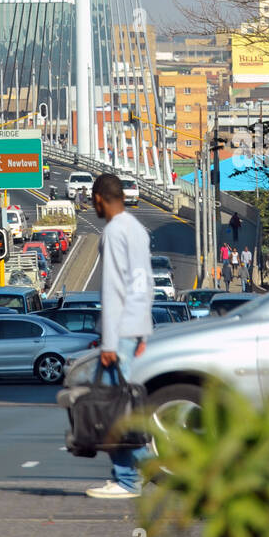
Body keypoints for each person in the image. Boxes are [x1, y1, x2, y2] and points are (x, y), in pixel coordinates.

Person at [88, 172, 153, 499]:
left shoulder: (114, 232)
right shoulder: (138, 230)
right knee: (120, 406)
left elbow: (113, 289)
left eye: (92, 198)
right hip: (135, 327)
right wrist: (143, 329)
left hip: (119, 333)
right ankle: (130, 474)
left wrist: (109, 343)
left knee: (111, 409)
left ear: (99, 197)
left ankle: (130, 478)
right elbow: (144, 284)